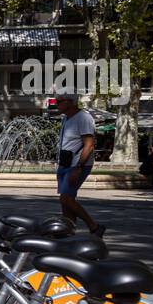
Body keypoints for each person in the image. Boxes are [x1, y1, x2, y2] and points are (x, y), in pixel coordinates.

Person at [55, 94, 104, 236]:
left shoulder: (83, 118)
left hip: (77, 165)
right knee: (65, 202)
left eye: (59, 101)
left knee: (66, 198)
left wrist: (79, 168)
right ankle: (68, 230)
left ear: (70, 102)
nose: (56, 104)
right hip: (65, 164)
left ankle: (94, 227)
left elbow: (89, 145)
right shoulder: (66, 118)